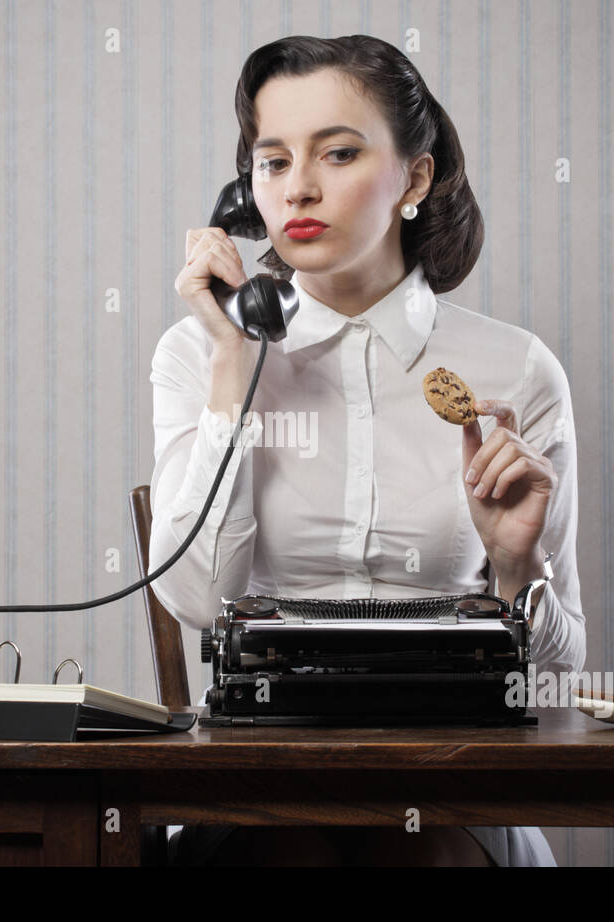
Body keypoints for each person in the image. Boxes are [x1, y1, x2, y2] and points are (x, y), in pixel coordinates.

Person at [148, 35, 586, 866]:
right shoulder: (197, 355)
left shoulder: (518, 369)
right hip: (252, 793)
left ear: (415, 178)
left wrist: (516, 568)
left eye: (338, 153)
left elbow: (560, 670)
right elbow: (202, 601)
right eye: (272, 163)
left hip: (449, 788)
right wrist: (234, 363)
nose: (299, 188)